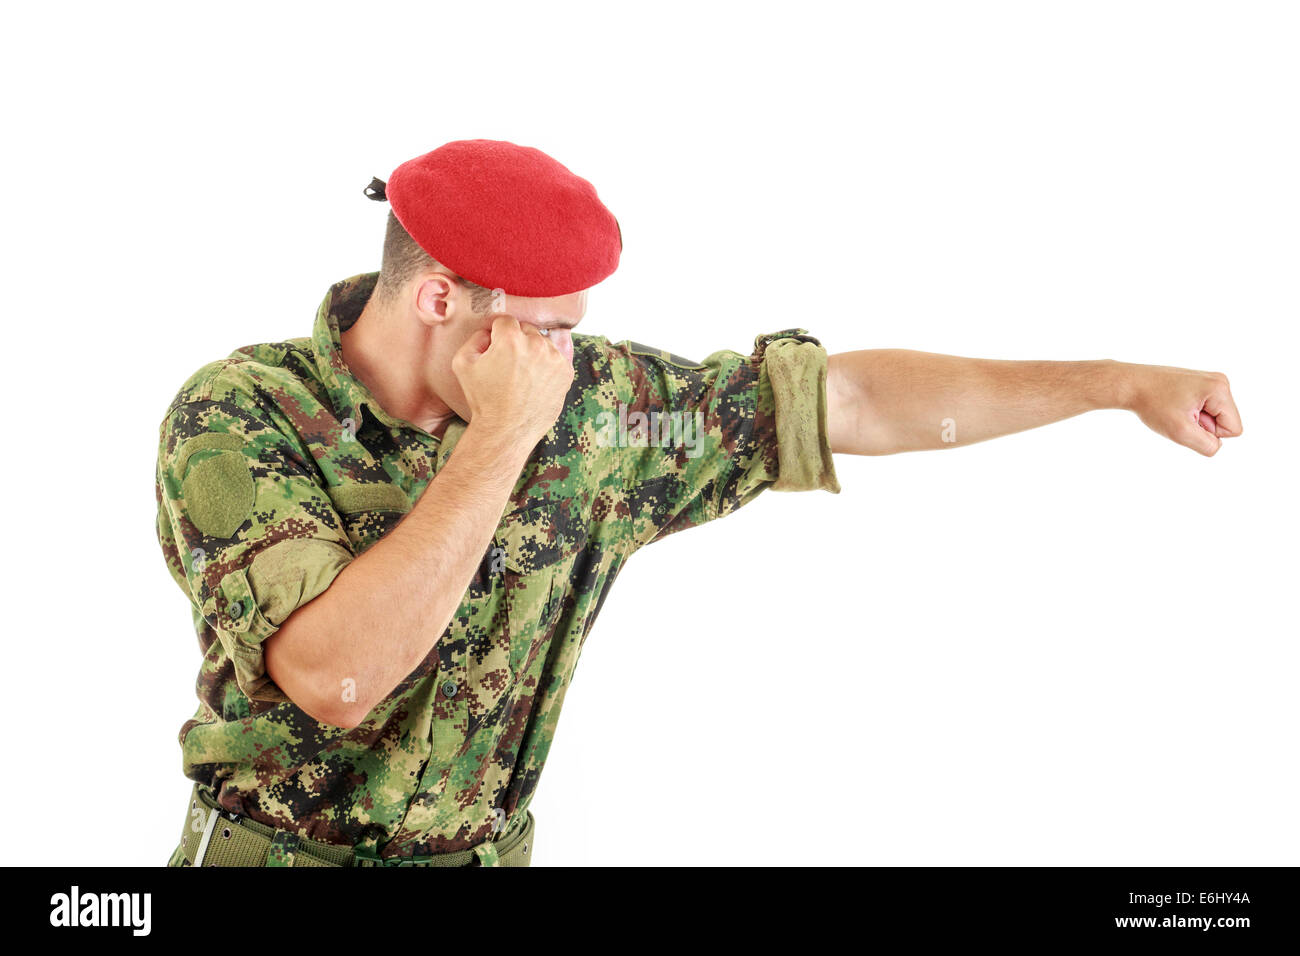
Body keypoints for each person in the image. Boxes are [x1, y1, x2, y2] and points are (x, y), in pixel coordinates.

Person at [156, 139, 1242, 867]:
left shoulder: (603, 414)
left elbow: (844, 398)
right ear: (442, 298)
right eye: (547, 329)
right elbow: (335, 678)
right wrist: (498, 441)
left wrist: (1113, 383)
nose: (564, 358)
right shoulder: (241, 415)